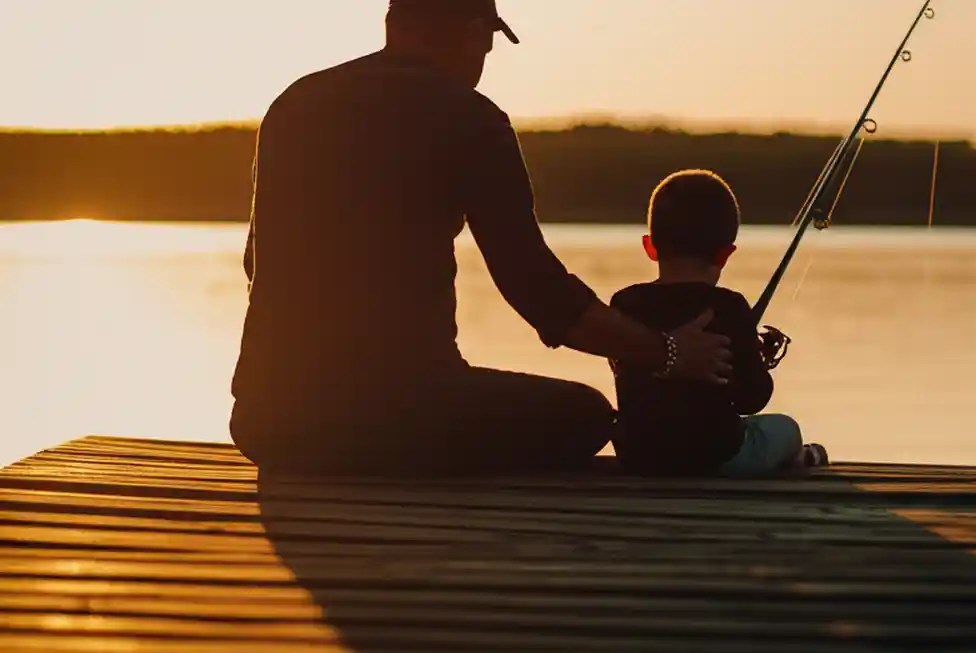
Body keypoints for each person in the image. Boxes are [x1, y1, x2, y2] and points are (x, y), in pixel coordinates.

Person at [230, 0, 733, 477]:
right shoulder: (471, 118)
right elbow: (535, 287)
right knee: (588, 413)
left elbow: (258, 261)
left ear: (394, 21)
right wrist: (666, 351)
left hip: (270, 424)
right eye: (488, 47)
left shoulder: (295, 105)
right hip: (391, 421)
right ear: (475, 35)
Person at [610, 170, 828, 477]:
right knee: (784, 428)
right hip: (717, 458)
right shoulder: (731, 308)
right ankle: (801, 458)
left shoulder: (624, 304)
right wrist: (755, 359)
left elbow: (625, 372)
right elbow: (752, 399)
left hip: (641, 456)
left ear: (650, 246)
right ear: (725, 254)